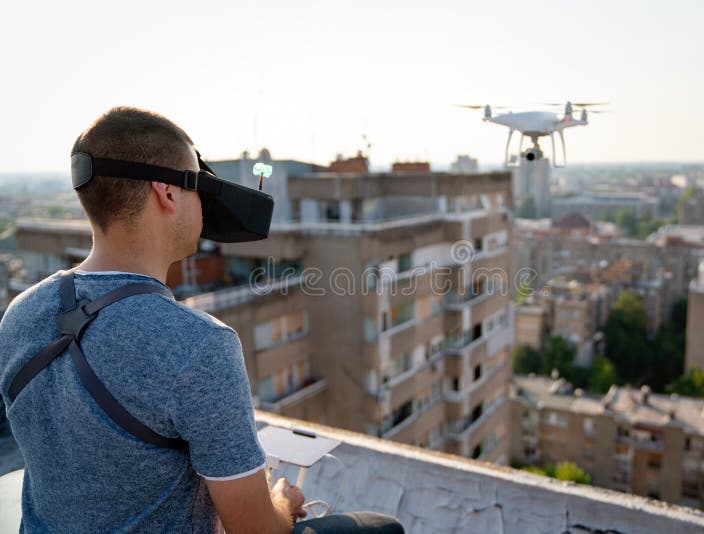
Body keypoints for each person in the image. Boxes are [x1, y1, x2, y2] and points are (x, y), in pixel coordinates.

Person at [0, 107, 402, 533]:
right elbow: (255, 530)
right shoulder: (199, 344)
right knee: (380, 527)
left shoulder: (22, 312)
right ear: (167, 194)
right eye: (199, 188)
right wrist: (281, 502)